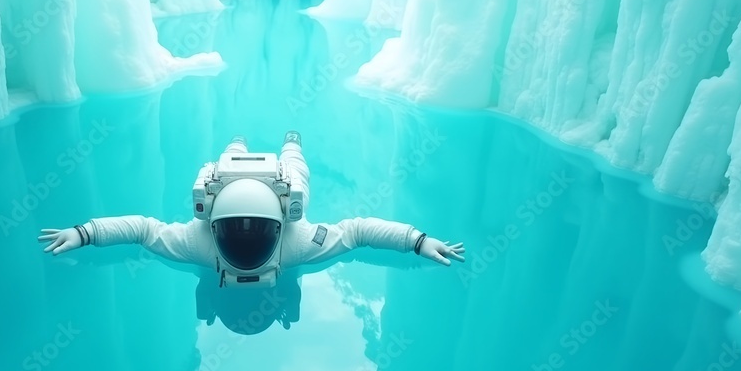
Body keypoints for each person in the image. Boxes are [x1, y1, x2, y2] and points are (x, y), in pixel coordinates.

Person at [38, 131, 465, 288]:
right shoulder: (294, 246)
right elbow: (357, 232)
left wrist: (87, 231)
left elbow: (143, 230)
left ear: (279, 226)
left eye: (255, 231)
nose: (245, 240)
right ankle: (268, 147)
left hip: (273, 196)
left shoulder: (200, 243)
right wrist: (416, 241)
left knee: (294, 179)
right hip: (247, 196)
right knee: (294, 178)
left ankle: (269, 146)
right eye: (238, 232)